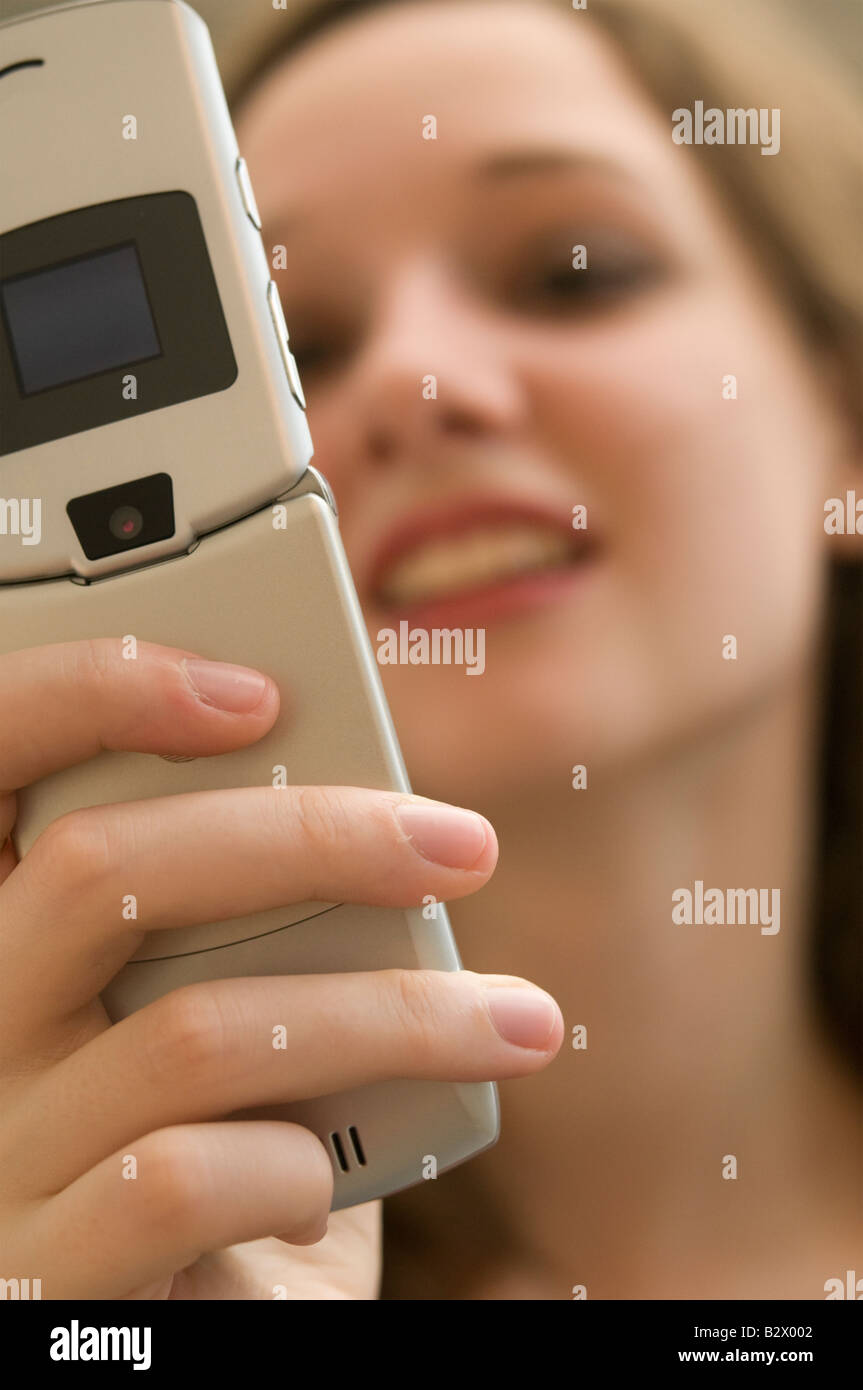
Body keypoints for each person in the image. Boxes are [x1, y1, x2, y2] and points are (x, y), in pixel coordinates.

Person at [0, 0, 859, 1300]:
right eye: (307, 345)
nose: (417, 378)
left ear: (844, 410)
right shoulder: (133, 1255)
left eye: (571, 271)